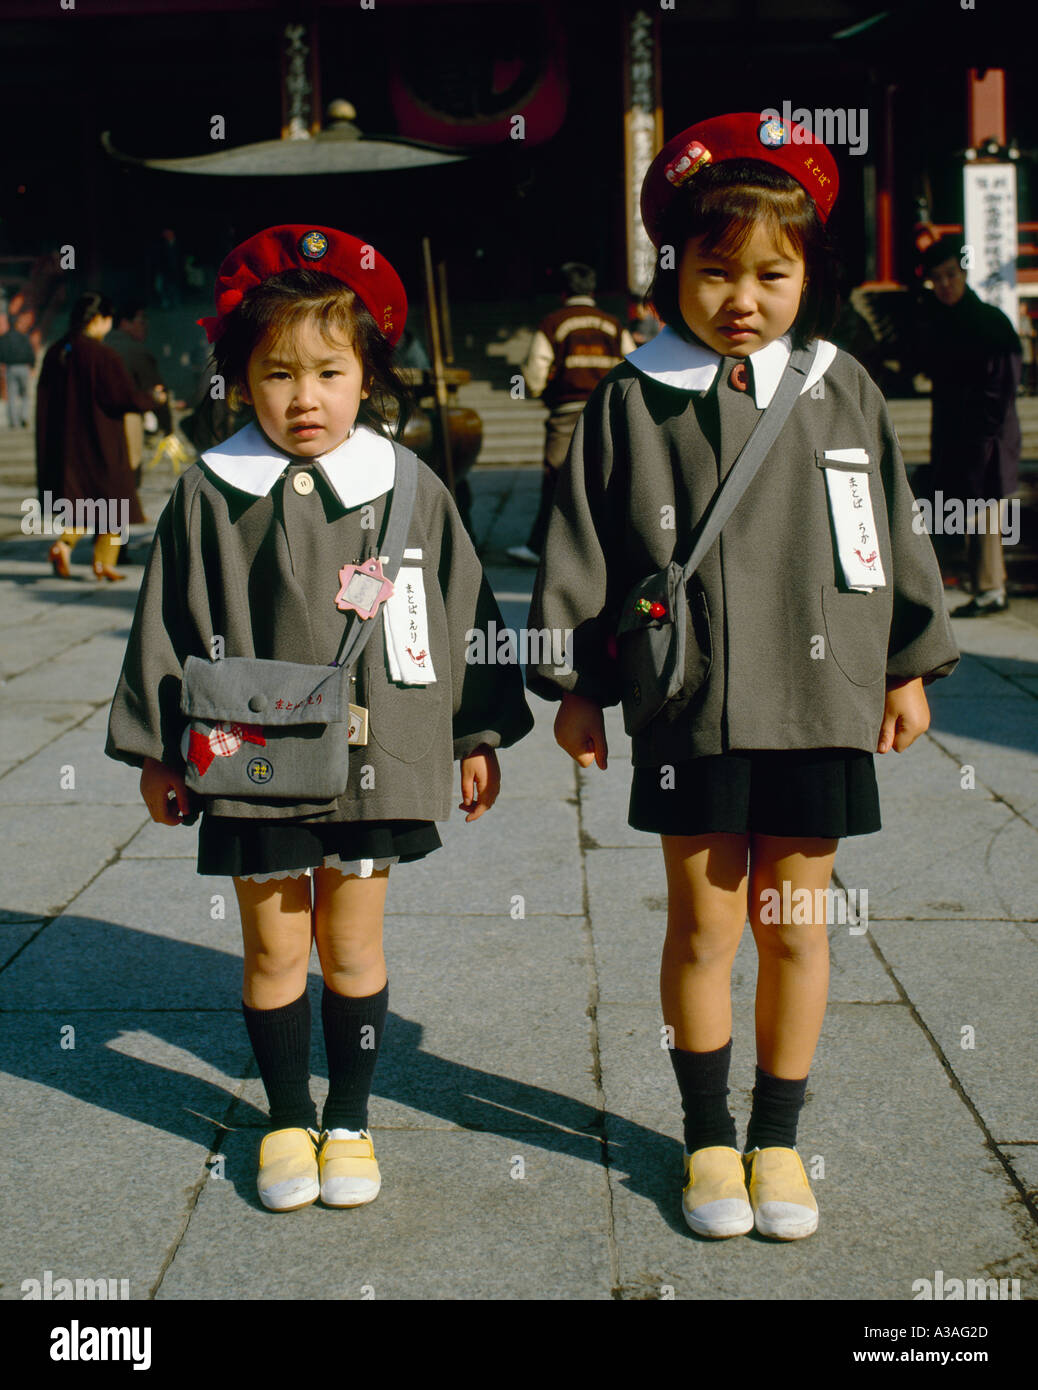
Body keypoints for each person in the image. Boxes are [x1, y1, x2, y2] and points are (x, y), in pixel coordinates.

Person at [526, 114, 959, 1241]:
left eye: (772, 272)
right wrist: (580, 683)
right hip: (689, 704)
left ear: (809, 274)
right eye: (715, 272)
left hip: (819, 706)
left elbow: (888, 533)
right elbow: (582, 545)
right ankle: (709, 1137)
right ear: (676, 269)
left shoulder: (839, 387)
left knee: (798, 927)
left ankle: (780, 1136)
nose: (741, 298)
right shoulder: (633, 398)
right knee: (702, 929)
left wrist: (908, 660)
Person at [105, 225, 534, 1213]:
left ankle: (349, 1115)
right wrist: (157, 749)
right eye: (277, 373)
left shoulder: (411, 485)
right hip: (247, 751)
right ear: (239, 379)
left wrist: (472, 732)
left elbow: (463, 607)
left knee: (354, 946)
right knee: (271, 947)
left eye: (330, 371)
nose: (305, 397)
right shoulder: (213, 491)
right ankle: (287, 1116)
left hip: (374, 748)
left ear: (369, 372)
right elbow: (167, 618)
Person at [914, 235, 1022, 616]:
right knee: (968, 508)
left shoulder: (989, 322)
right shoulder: (944, 322)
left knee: (986, 510)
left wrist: (985, 432)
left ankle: (992, 589)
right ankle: (983, 586)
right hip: (955, 432)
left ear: (963, 274)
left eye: (950, 276)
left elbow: (1003, 383)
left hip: (986, 433)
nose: (944, 285)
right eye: (937, 279)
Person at [506, 263, 635, 565]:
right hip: (609, 411)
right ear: (592, 291)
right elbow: (632, 362)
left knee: (558, 477)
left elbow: (536, 369)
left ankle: (543, 547)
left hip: (567, 412)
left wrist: (536, 390)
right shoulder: (613, 324)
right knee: (611, 474)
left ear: (564, 291)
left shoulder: (553, 323)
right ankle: (611, 547)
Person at [35, 292, 163, 581]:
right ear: (98, 320)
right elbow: (121, 397)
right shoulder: (102, 355)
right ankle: (103, 563)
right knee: (114, 501)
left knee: (86, 502)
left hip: (65, 443)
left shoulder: (57, 350)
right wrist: (152, 399)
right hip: (101, 438)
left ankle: (64, 545)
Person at [106, 304, 172, 485]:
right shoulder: (135, 351)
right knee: (128, 471)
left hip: (96, 420)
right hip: (127, 418)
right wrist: (167, 427)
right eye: (141, 321)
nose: (145, 326)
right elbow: (158, 390)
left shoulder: (100, 347)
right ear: (125, 323)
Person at [0, 309, 37, 427]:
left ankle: (14, 421)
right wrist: (32, 365)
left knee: (11, 395)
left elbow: (1, 353)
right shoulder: (23, 337)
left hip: (10, 368)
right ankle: (24, 416)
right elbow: (30, 352)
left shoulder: (4, 338)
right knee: (26, 394)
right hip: (23, 367)